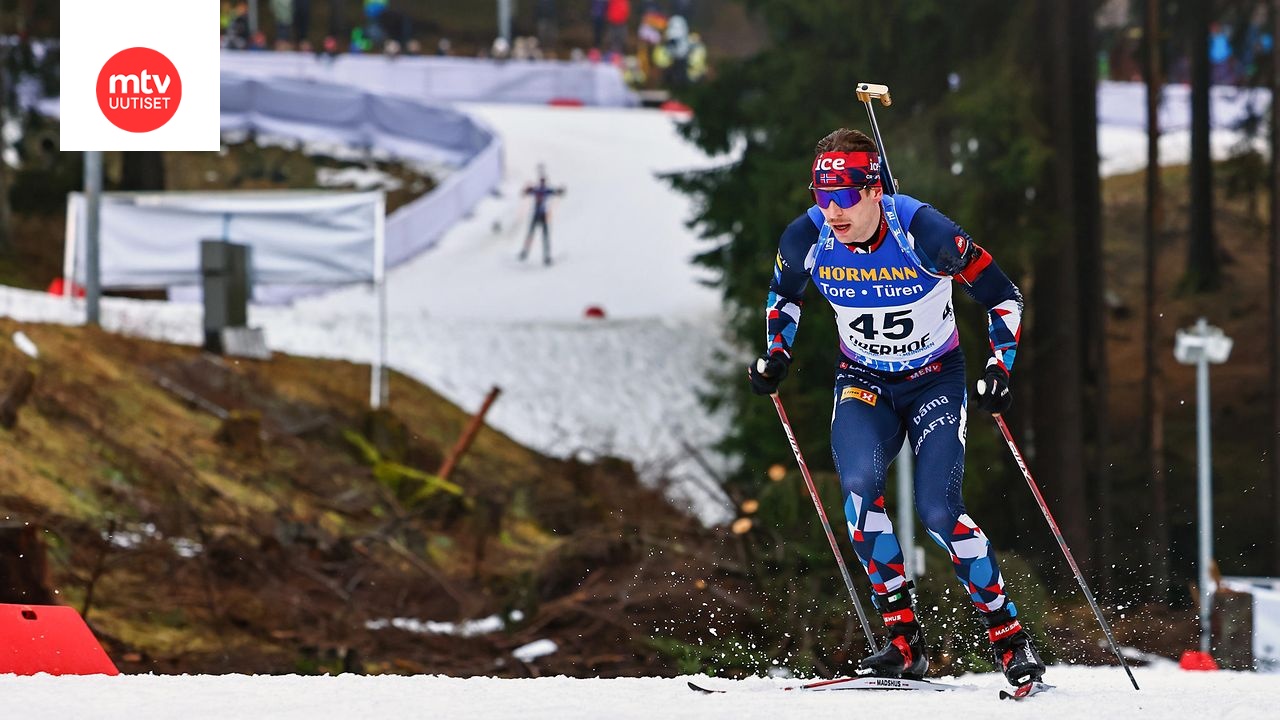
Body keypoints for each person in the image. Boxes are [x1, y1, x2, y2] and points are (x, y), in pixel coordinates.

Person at [746, 127, 1045, 688]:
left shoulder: (924, 232)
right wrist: (776, 355)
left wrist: (999, 369)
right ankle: (904, 641)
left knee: (938, 512)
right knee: (859, 495)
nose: (832, 209)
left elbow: (1003, 295)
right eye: (820, 193)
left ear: (875, 189)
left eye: (845, 194)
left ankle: (1009, 639)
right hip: (864, 381)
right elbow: (782, 293)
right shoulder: (805, 238)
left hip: (934, 379)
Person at [519, 166, 566, 265]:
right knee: (532, 234)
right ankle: (526, 252)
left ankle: (546, 256)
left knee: (543, 236)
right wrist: (525, 191)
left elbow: (556, 192)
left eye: (543, 181)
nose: (542, 183)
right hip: (537, 215)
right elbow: (526, 192)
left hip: (542, 215)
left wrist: (560, 191)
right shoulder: (538, 190)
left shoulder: (544, 190)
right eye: (541, 181)